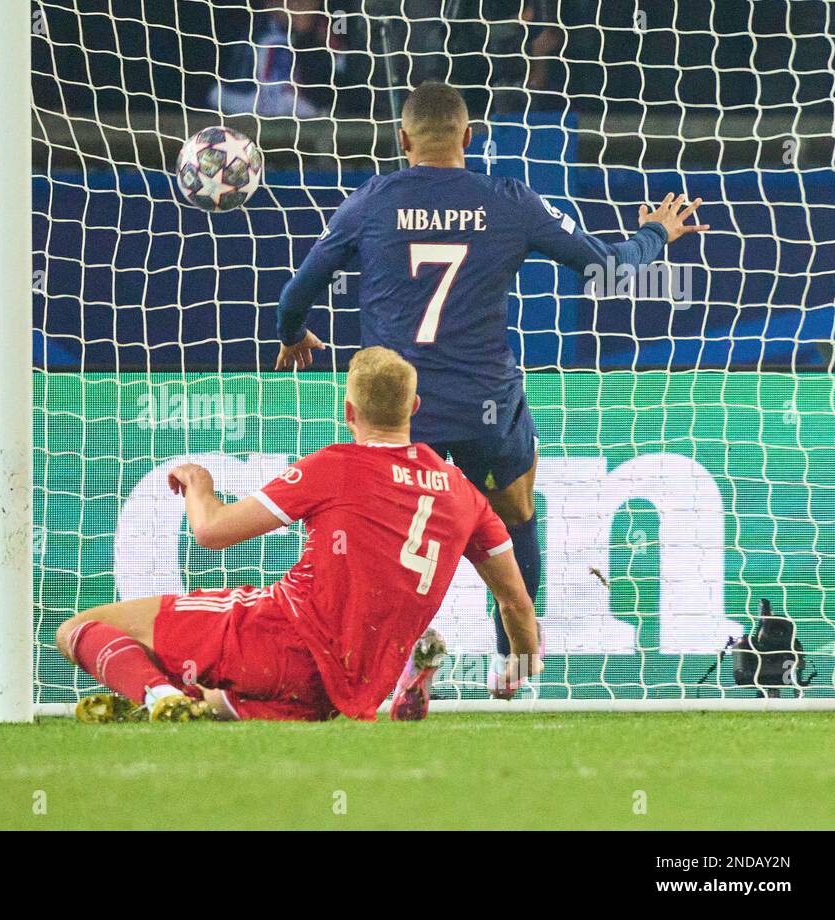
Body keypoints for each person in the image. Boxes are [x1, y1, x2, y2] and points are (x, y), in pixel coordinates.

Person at [273, 82, 707, 691]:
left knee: (381, 534)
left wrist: (294, 335)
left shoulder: (370, 200)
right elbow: (608, 267)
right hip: (485, 403)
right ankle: (516, 662)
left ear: (402, 139)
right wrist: (656, 234)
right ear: (469, 137)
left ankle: (377, 661)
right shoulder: (509, 199)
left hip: (400, 410)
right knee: (512, 518)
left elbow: (297, 292)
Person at [56, 347, 540, 723]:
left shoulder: (335, 467)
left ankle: (160, 697)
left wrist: (198, 484)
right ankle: (204, 702)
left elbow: (210, 532)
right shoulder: (464, 493)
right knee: (229, 703)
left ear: (349, 410)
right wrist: (518, 667)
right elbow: (515, 603)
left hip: (280, 639)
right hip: (347, 688)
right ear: (413, 406)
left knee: (79, 629)